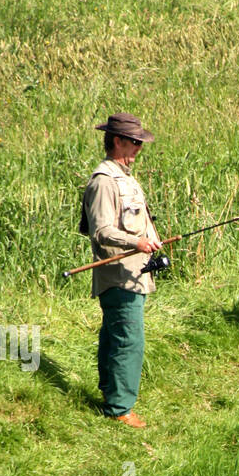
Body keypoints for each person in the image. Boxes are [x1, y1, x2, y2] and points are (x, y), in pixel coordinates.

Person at [81, 113, 162, 428]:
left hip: (135, 273)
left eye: (141, 142)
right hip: (117, 276)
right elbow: (101, 231)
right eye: (135, 141)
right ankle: (120, 408)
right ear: (117, 140)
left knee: (116, 335)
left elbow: (140, 218)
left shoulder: (125, 177)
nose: (139, 148)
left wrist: (151, 236)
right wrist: (137, 242)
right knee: (128, 339)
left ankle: (110, 394)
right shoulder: (103, 181)